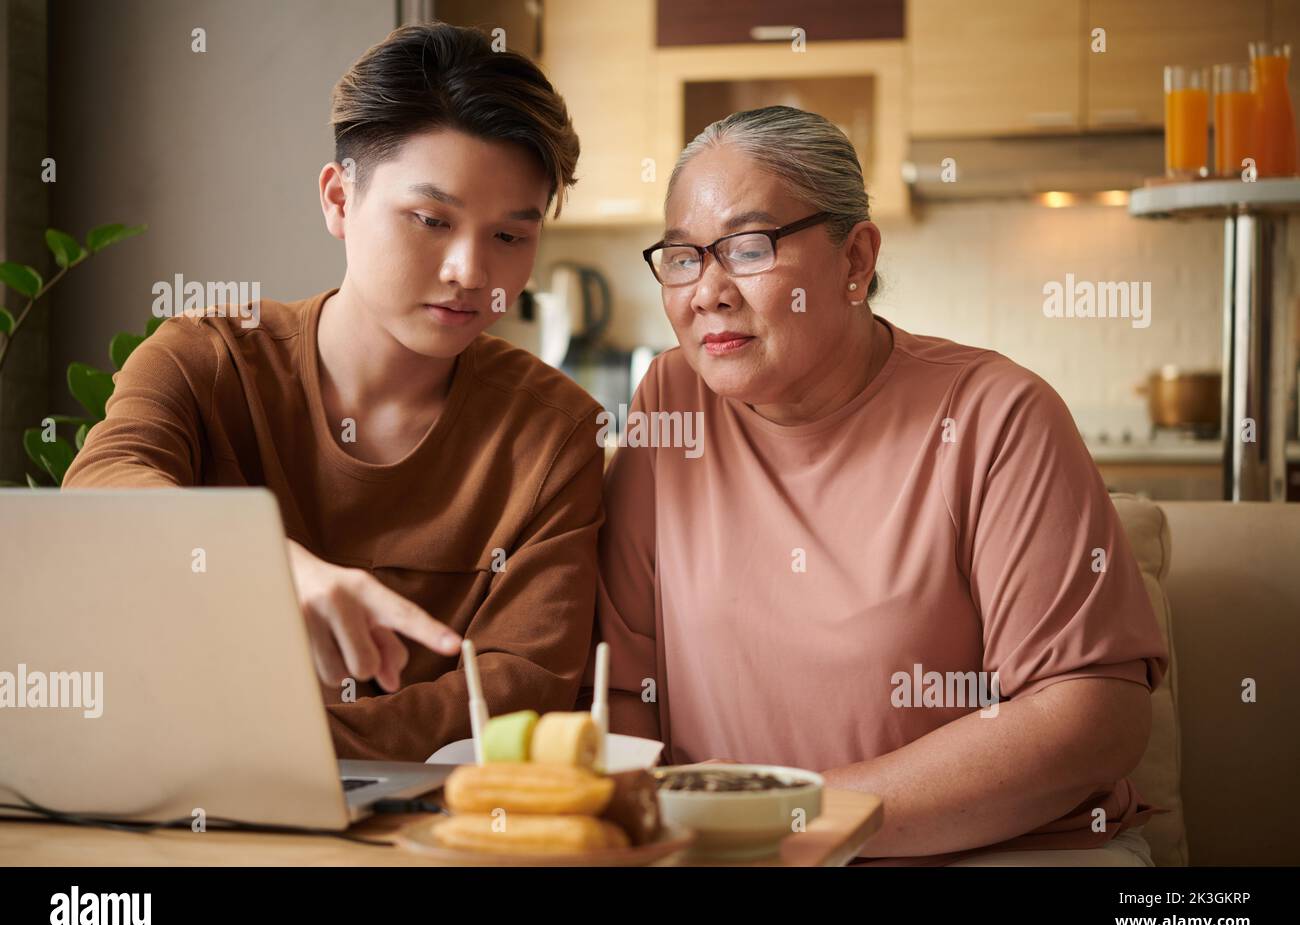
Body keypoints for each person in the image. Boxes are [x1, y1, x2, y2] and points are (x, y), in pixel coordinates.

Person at [587, 105, 1169, 865]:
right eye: (683, 256)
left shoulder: (995, 414)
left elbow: (1093, 715)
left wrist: (794, 823)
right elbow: (624, 686)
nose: (707, 291)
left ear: (855, 260)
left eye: (748, 248)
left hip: (995, 852)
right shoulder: (673, 398)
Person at [64, 23, 604, 763]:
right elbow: (97, 497)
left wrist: (265, 743)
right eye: (429, 220)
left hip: (425, 827)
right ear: (339, 200)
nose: (469, 271)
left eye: (511, 236)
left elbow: (522, 687)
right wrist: (264, 561)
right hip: (177, 805)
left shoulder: (556, 433)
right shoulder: (203, 357)